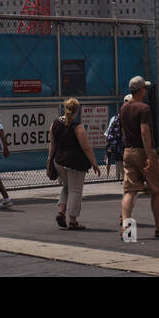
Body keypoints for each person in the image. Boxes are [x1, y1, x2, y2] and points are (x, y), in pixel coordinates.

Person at [120, 75, 159, 239]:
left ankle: (127, 229)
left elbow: (123, 130)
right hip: (142, 151)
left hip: (128, 151)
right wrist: (150, 155)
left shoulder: (123, 108)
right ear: (141, 90)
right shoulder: (144, 108)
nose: (146, 91)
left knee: (130, 190)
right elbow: (144, 132)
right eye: (145, 88)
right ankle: (158, 227)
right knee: (156, 190)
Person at [49, 97, 101, 230]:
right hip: (75, 163)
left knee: (67, 187)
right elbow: (86, 148)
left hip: (59, 161)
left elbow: (52, 144)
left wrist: (50, 160)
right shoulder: (78, 127)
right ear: (77, 110)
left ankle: (61, 212)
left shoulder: (55, 123)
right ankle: (73, 221)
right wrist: (94, 164)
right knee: (75, 190)